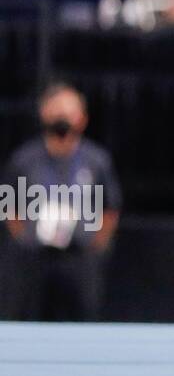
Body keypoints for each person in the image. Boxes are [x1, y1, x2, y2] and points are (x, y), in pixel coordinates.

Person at [0, 83, 122, 321]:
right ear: (43, 114)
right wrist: (21, 237)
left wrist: (96, 243)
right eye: (57, 111)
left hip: (79, 258)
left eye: (68, 112)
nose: (62, 118)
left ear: (82, 118)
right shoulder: (23, 160)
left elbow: (111, 206)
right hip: (34, 260)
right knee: (27, 318)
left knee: (83, 320)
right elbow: (6, 201)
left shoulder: (96, 161)